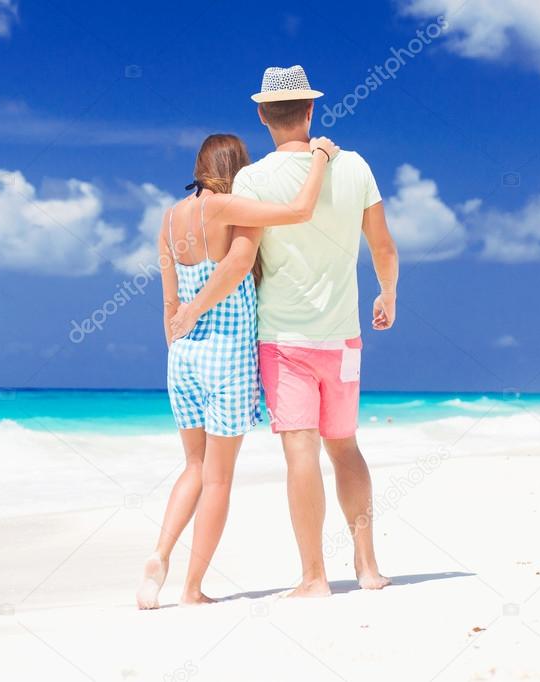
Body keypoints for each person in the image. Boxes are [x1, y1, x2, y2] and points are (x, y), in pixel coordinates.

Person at [170, 65, 399, 597]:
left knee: (302, 451)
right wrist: (387, 295)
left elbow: (243, 255)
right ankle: (367, 568)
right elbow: (383, 247)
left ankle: (314, 577)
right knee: (345, 448)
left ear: (261, 116)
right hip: (343, 337)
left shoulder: (252, 180)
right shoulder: (355, 166)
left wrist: (192, 310)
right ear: (312, 110)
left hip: (284, 340)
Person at [137, 132, 339, 609]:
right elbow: (297, 213)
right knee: (219, 479)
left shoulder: (169, 220)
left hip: (182, 356)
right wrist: (319, 161)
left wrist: (182, 328)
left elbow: (169, 302)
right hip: (226, 355)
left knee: (192, 466)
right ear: (235, 168)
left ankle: (160, 554)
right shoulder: (228, 208)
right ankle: (191, 588)